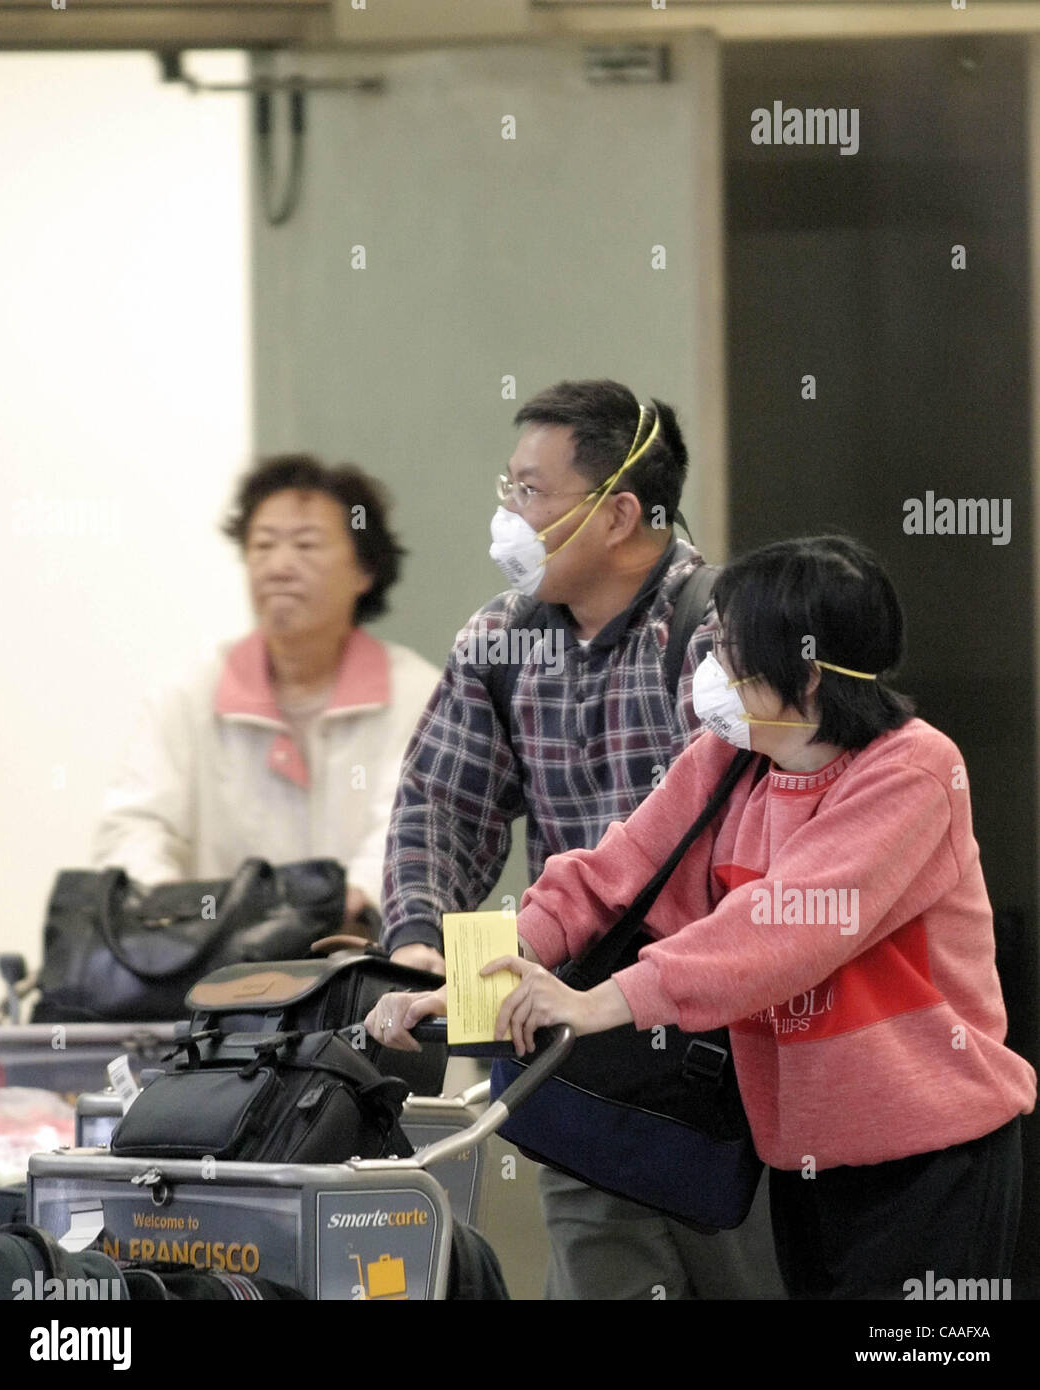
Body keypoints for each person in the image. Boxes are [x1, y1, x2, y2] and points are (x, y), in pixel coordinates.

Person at [374, 535, 1037, 1299]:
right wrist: (465, 985)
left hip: (929, 1161)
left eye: (731, 650)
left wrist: (598, 1002)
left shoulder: (914, 770)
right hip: (800, 1161)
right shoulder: (731, 759)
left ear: (809, 673)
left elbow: (777, 931)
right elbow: (606, 877)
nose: (712, 669)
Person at [380, 378, 785, 1299]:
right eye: (507, 488)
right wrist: (417, 943)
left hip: (720, 1064)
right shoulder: (501, 639)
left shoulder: (720, 636)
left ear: (620, 515)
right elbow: (441, 806)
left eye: (531, 493)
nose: (507, 517)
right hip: (573, 1058)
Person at [94, 454, 439, 931]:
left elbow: (415, 829)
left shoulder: (416, 694)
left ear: (364, 571)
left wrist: (347, 903)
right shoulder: (190, 694)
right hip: (209, 967)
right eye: (262, 545)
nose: (278, 566)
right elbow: (135, 826)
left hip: (360, 955)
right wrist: (175, 912)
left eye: (306, 544)